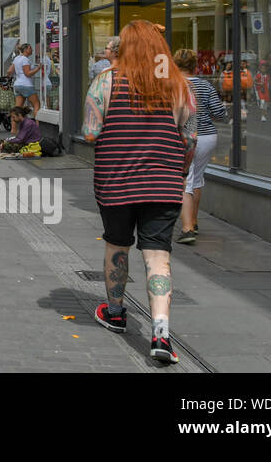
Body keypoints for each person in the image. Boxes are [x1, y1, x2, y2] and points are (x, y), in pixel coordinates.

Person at [82, 20, 196, 366]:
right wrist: (183, 168)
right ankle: (161, 333)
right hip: (163, 182)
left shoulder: (106, 81)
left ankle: (115, 312)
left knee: (117, 244)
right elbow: (189, 138)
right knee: (158, 255)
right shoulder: (177, 84)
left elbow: (89, 132)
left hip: (116, 181)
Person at [173, 49, 228, 245]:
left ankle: (187, 228)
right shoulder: (205, 85)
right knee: (196, 179)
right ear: (194, 65)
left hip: (186, 136)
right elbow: (220, 113)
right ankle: (194, 222)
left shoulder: (175, 85)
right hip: (208, 136)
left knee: (185, 180)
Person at [9, 43, 39, 113]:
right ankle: (37, 124)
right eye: (30, 48)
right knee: (36, 104)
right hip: (26, 85)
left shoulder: (17, 58)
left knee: (17, 109)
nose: (32, 50)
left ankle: (13, 123)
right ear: (25, 50)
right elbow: (27, 74)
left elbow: (9, 71)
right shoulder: (25, 59)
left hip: (17, 85)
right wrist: (38, 68)